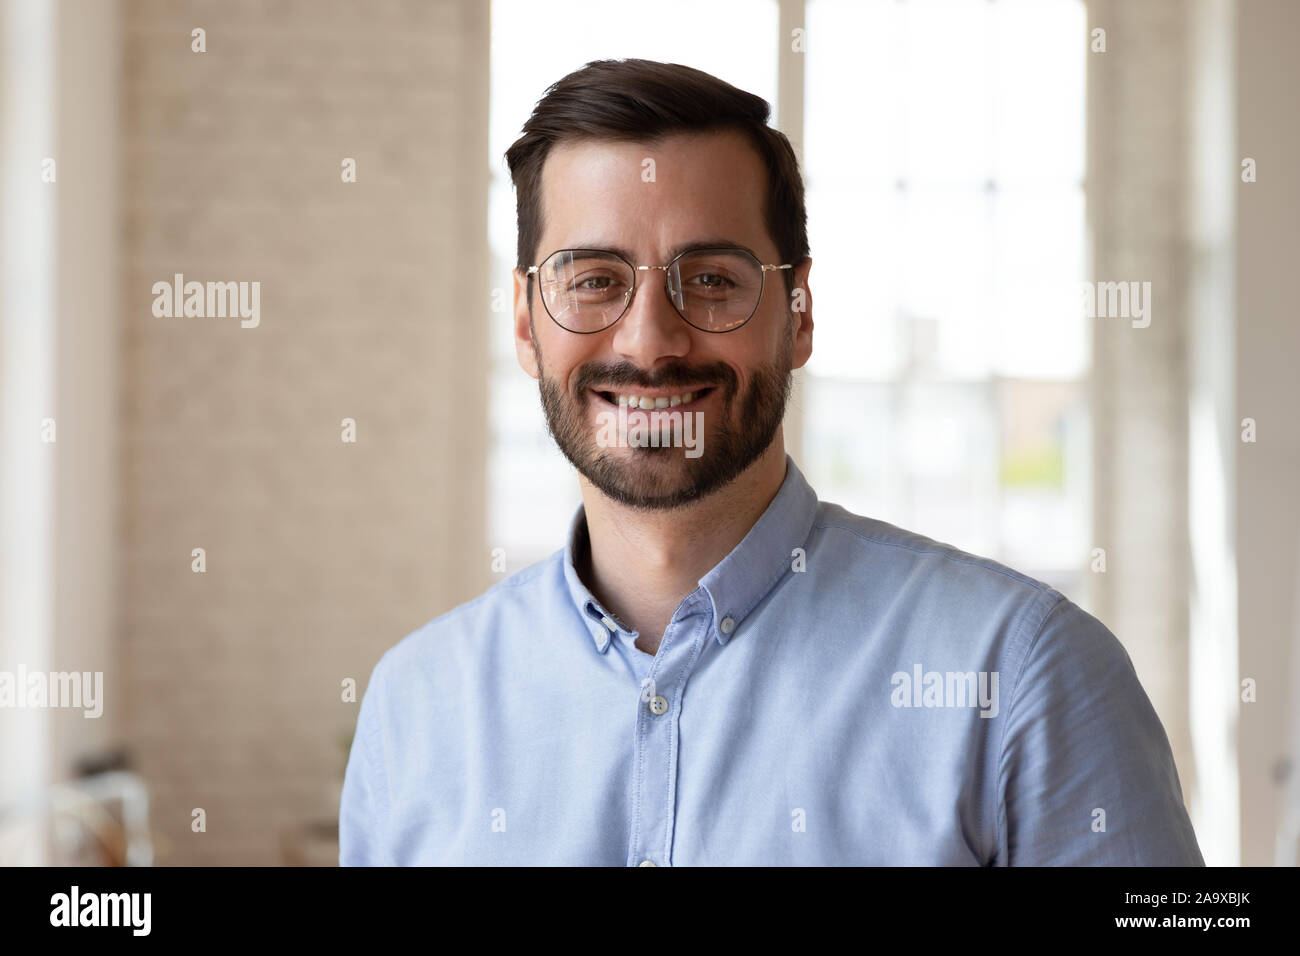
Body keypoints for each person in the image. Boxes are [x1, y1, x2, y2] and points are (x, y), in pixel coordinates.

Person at [339, 58, 1203, 866]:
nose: (651, 342)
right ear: (528, 324)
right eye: (594, 279)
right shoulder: (414, 705)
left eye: (712, 278)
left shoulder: (1024, 674)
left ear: (801, 313)